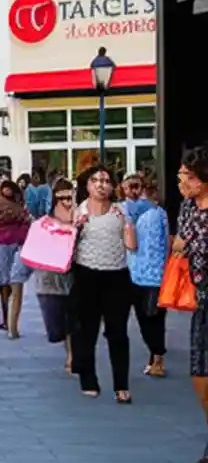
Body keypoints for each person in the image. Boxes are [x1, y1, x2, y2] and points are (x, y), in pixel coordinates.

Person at [70, 165, 133, 403]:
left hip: (117, 276)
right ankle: (88, 379)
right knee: (87, 331)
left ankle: (121, 385)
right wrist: (75, 229)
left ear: (112, 186)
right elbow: (65, 247)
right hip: (86, 275)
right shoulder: (78, 212)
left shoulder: (121, 212)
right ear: (87, 185)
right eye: (95, 180)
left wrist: (128, 226)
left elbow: (132, 246)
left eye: (105, 180)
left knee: (118, 333)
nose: (101, 184)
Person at [173, 147, 208, 463]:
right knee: (199, 371)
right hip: (201, 297)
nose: (181, 181)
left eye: (188, 176)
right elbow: (180, 244)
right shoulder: (187, 206)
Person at [123, 175, 169, 379]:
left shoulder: (132, 214)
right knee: (157, 319)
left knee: (145, 320)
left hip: (138, 274)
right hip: (159, 274)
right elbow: (167, 242)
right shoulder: (161, 213)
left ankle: (157, 358)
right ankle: (156, 358)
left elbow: (132, 245)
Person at [0, 180, 33, 338]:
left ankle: (11, 321)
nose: (7, 192)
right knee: (3, 282)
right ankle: (5, 316)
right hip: (2, 244)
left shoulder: (19, 201)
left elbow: (26, 219)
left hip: (18, 243)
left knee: (15, 282)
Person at [34, 180, 77, 372]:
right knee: (58, 325)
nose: (66, 202)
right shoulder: (45, 222)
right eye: (61, 198)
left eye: (69, 197)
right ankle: (70, 353)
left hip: (75, 276)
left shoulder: (80, 218)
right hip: (51, 280)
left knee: (74, 321)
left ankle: (72, 357)